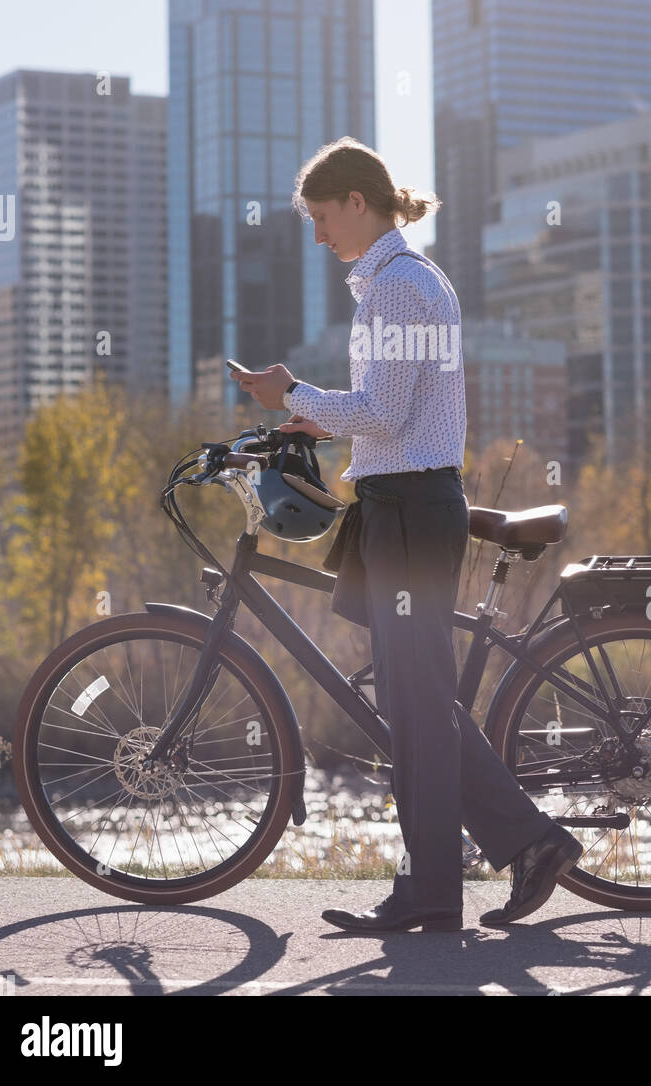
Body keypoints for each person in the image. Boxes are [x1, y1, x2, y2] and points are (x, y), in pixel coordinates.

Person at [230, 136, 582, 933]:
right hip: (398, 506)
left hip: (411, 511)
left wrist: (298, 391)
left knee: (415, 705)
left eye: (322, 217)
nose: (318, 235)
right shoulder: (401, 282)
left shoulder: (398, 289)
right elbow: (387, 414)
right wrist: (299, 414)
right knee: (409, 700)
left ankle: (503, 856)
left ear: (357, 201)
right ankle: (464, 876)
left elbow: (383, 413)